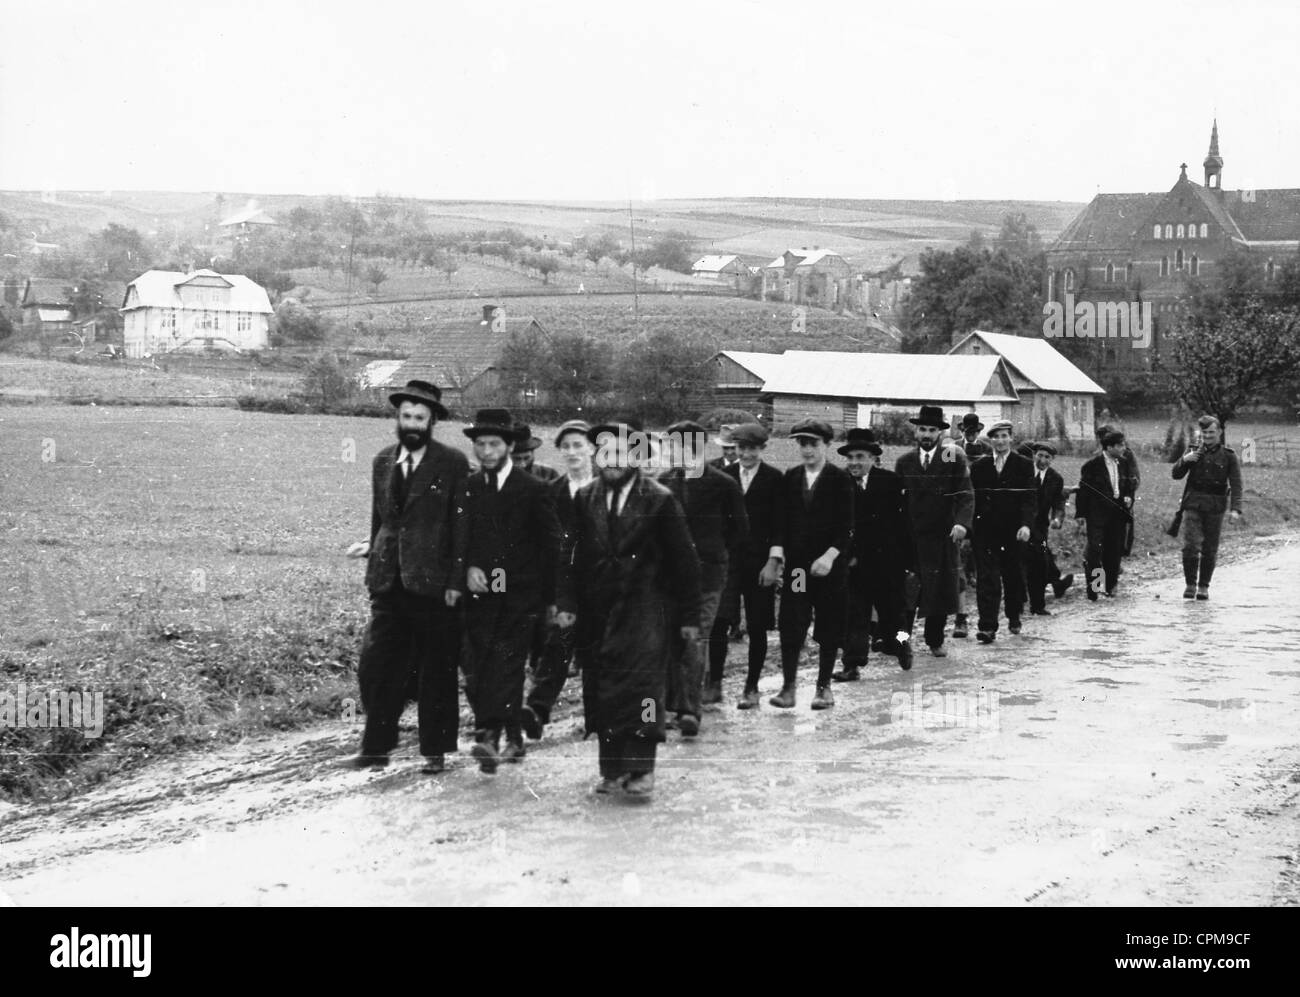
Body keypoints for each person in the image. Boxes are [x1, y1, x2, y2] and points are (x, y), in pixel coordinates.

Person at [556, 417, 702, 798]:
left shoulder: (659, 499)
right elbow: (570, 558)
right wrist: (568, 603)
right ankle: (611, 768)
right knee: (605, 690)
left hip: (648, 611)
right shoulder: (585, 498)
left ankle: (641, 767)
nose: (614, 460)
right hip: (599, 612)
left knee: (644, 691)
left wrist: (688, 618)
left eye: (621, 452)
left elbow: (685, 564)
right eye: (606, 452)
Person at [343, 380, 468, 773]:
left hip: (433, 585)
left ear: (431, 422)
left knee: (436, 668)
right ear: (397, 418)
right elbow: (379, 518)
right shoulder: (383, 460)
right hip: (388, 582)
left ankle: (435, 749)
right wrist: (373, 557)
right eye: (406, 416)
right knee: (376, 665)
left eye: (420, 417)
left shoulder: (452, 463)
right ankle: (376, 746)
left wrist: (455, 582)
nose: (412, 423)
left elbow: (461, 527)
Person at [460, 409, 561, 773]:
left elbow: (552, 547)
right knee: (478, 665)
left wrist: (552, 600)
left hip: (523, 595)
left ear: (509, 446)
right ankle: (513, 737)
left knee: (507, 664)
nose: (486, 451)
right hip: (479, 593)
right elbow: (459, 539)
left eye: (494, 444)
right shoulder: (468, 487)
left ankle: (488, 734)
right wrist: (467, 567)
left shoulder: (534, 489)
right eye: (480, 445)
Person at [658, 420, 748, 735]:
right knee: (669, 639)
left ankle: (689, 710)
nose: (670, 452)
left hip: (708, 577)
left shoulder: (723, 484)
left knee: (693, 638)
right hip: (669, 579)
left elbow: (740, 532)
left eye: (676, 446)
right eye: (669, 446)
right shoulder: (664, 482)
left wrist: (713, 554)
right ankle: (672, 706)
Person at [770, 418, 854, 710]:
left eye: (813, 444)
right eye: (802, 444)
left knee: (829, 624)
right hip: (798, 569)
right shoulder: (791, 477)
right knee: (792, 621)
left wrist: (830, 555)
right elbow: (779, 520)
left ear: (827, 445)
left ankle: (823, 688)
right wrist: (778, 555)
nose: (807, 450)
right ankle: (789, 687)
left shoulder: (840, 479)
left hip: (830, 568)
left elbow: (848, 525)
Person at [520, 419, 594, 740]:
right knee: (557, 644)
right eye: (566, 446)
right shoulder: (553, 492)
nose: (572, 452)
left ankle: (596, 718)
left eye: (578, 445)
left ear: (592, 448)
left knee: (596, 651)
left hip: (605, 584)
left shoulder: (610, 487)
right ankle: (536, 710)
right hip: (566, 584)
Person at [709, 423, 784, 710]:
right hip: (728, 564)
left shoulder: (774, 479)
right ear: (734, 448)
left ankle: (751, 687)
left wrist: (773, 562)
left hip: (760, 564)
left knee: (757, 626)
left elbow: (780, 524)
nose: (746, 454)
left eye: (752, 448)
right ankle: (714, 684)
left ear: (762, 449)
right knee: (719, 622)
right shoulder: (723, 477)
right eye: (741, 448)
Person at [833, 428, 913, 680]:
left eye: (860, 456)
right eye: (850, 457)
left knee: (895, 614)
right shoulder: (839, 484)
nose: (854, 462)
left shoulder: (890, 482)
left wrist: (909, 562)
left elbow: (905, 524)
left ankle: (903, 644)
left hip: (888, 563)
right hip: (855, 563)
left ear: (872, 458)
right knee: (854, 614)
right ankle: (852, 664)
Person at [895, 405, 974, 657]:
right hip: (911, 538)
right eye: (922, 430)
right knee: (906, 593)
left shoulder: (952, 458)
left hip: (942, 536)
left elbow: (964, 493)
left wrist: (961, 523)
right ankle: (901, 640)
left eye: (931, 430)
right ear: (915, 432)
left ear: (940, 433)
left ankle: (935, 640)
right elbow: (895, 501)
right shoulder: (904, 462)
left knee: (939, 592)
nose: (926, 435)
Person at [968, 421, 1036, 643]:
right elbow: (973, 499)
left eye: (1004, 436)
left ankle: (1014, 614)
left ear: (1011, 438)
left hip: (1013, 531)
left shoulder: (1024, 464)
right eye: (996, 437)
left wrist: (1026, 525)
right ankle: (987, 626)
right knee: (987, 578)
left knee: (1013, 575)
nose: (1000, 441)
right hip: (985, 531)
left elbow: (1029, 498)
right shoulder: (980, 466)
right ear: (991, 440)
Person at [1171, 415, 1244, 600]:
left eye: (1212, 432)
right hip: (1193, 503)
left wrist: (1235, 509)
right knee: (1190, 546)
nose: (1208, 436)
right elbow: (1176, 475)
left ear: (1219, 432)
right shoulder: (1193, 451)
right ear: (1200, 433)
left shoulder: (1228, 456)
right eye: (1205, 432)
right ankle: (1190, 584)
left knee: (1210, 548)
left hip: (1216, 506)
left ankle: (1203, 586)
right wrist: (1185, 460)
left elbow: (1236, 484)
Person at [1075, 429, 1136, 599]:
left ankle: (1110, 586)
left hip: (1118, 513)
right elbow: (1083, 492)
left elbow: (1129, 487)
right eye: (1120, 445)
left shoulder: (1124, 463)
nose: (1123, 448)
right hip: (1097, 514)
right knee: (1095, 551)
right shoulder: (1092, 466)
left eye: (1124, 445)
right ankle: (1095, 588)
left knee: (1114, 551)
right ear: (1109, 447)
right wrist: (1080, 515)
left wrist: (1128, 498)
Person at [953, 413, 991, 638]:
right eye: (968, 431)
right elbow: (947, 472)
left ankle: (974, 573)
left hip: (981, 501)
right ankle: (960, 613)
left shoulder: (986, 448)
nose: (971, 434)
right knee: (958, 550)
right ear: (962, 431)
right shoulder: (953, 448)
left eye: (975, 431)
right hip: (961, 500)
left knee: (977, 546)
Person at [1025, 442, 1074, 613]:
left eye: (1047, 457)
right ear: (1034, 455)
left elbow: (1059, 503)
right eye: (1040, 455)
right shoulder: (1023, 472)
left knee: (1039, 560)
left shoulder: (1056, 478)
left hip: (1039, 527)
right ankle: (1055, 583)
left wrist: (1057, 519)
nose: (1043, 460)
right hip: (1019, 525)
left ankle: (1037, 605)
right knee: (1028, 559)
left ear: (1052, 460)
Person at [1094, 423, 1140, 557]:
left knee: (1125, 519)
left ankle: (1124, 550)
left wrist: (1128, 492)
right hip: (1105, 495)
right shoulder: (1100, 454)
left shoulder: (1126, 453)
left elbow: (1134, 476)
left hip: (1123, 492)